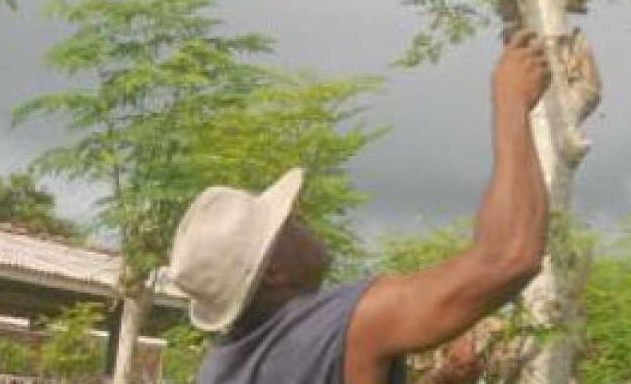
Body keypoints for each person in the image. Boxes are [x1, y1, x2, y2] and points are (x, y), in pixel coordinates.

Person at [168, 30, 551, 383]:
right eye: (286, 223)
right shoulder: (345, 324)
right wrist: (510, 100)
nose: (301, 217)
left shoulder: (219, 368)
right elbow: (510, 256)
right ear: (273, 273)